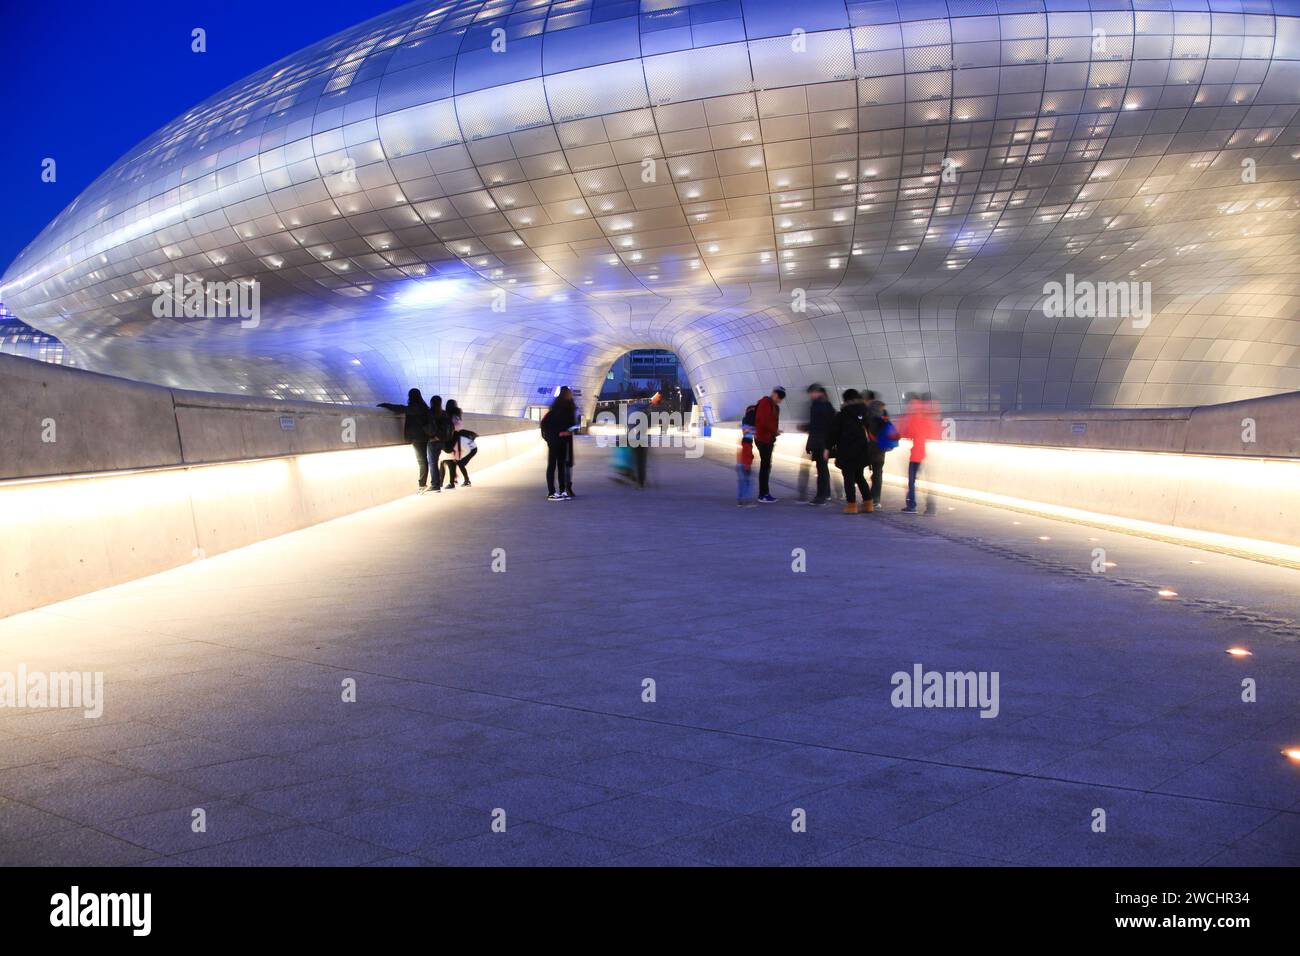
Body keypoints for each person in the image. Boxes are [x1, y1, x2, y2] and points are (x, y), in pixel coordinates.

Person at [825, 389, 872, 514]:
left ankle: (852, 505)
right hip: (861, 451)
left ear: (845, 400)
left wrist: (827, 448)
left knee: (848, 478)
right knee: (860, 477)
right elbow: (870, 429)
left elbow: (833, 433)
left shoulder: (842, 415)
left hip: (846, 451)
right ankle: (868, 504)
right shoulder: (865, 412)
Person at [378, 388, 432, 493]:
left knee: (422, 460)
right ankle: (424, 483)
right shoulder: (424, 407)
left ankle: (422, 484)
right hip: (425, 436)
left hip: (417, 437)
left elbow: (401, 408)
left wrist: (385, 405)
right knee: (424, 459)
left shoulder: (415, 408)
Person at [897, 392, 941, 514]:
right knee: (929, 481)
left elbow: (908, 431)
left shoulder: (914, 414)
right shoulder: (930, 413)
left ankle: (912, 505)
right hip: (930, 452)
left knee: (912, 481)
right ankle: (931, 508)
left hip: (917, 453)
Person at [541, 387, 577, 500]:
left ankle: (557, 491)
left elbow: (544, 424)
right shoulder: (564, 409)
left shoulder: (557, 408)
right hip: (559, 441)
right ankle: (556, 492)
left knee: (556, 465)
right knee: (557, 465)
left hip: (557, 441)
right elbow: (567, 425)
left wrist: (548, 438)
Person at [803, 384, 835, 505]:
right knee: (823, 468)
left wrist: (810, 443)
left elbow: (816, 427)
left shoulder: (818, 406)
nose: (810, 396)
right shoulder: (827, 405)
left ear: (817, 392)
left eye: (811, 393)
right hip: (823, 442)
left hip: (820, 442)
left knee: (821, 469)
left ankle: (821, 496)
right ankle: (826, 494)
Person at [753, 386, 785, 503]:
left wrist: (774, 432)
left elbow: (771, 422)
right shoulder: (765, 403)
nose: (779, 400)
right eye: (779, 397)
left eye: (781, 399)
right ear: (774, 394)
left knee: (766, 466)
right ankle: (763, 494)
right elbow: (763, 421)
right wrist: (774, 431)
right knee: (765, 466)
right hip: (763, 439)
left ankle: (764, 493)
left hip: (769, 439)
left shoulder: (775, 406)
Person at [863, 390, 892, 512]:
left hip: (869, 446)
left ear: (867, 400)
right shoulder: (883, 411)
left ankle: (868, 498)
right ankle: (876, 499)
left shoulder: (866, 411)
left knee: (857, 472)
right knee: (878, 472)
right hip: (881, 447)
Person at [440, 399, 478, 488]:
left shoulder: (449, 416)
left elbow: (450, 429)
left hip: (453, 441)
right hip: (460, 441)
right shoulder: (458, 415)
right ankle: (459, 480)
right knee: (453, 461)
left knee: (448, 461)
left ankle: (452, 482)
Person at [424, 395, 450, 492]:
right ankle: (439, 483)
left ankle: (435, 484)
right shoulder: (444, 413)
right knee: (440, 461)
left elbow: (429, 426)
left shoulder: (430, 413)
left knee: (433, 463)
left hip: (433, 440)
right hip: (443, 441)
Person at [736, 417, 756, 507]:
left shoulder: (743, 442)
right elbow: (747, 455)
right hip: (745, 465)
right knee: (747, 483)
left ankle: (740, 501)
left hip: (740, 464)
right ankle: (747, 502)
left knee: (741, 483)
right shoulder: (747, 444)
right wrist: (747, 465)